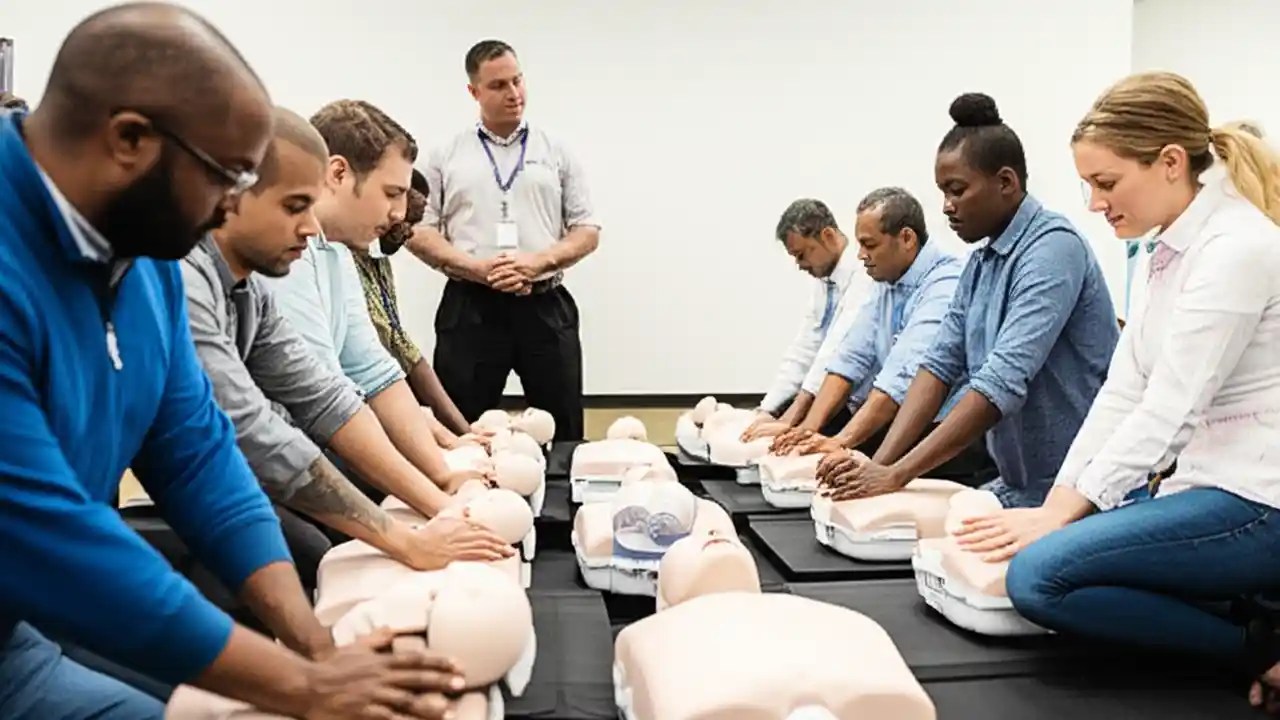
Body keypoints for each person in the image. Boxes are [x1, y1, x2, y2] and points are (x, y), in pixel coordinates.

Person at [0, 4, 459, 719]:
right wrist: (299, 684)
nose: (226, 209)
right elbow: (36, 532)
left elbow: (194, 451)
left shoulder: (141, 254)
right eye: (225, 178)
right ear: (129, 140)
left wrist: (313, 644)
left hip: (16, 649)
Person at [950, 72, 1280, 714]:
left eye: (1106, 182)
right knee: (1055, 549)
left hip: (1260, 502)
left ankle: (1255, 648)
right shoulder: (1172, 250)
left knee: (1039, 577)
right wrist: (1059, 503)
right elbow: (1123, 393)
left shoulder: (1237, 249)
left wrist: (1062, 517)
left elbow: (1171, 409)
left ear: (1170, 163)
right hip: (1211, 491)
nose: (1095, 203)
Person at [183, 106, 512, 583]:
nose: (311, 228)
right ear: (231, 196)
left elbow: (326, 393)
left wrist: (441, 498)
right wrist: (408, 539)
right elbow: (255, 429)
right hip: (217, 472)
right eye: (295, 207)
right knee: (313, 554)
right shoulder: (182, 280)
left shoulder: (250, 287)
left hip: (244, 463)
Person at [818, 93, 1119, 508]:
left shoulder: (1053, 249)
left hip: (1076, 491)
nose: (947, 207)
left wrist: (897, 473)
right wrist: (881, 466)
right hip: (1019, 485)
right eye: (943, 192)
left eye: (957, 190)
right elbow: (939, 364)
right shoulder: (980, 264)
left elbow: (1000, 382)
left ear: (1006, 183)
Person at [261, 100, 483, 513]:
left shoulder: (340, 255)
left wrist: (443, 473)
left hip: (312, 451)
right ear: (339, 173)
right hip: (276, 466)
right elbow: (323, 397)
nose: (399, 213)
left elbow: (375, 372)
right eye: (392, 193)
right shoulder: (284, 257)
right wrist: (435, 500)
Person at [408, 39, 601, 442]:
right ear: (473, 91)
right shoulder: (445, 154)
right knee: (461, 427)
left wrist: (539, 263)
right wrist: (476, 269)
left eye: (518, 81)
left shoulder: (557, 150)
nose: (514, 94)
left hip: (545, 304)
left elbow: (586, 230)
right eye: (498, 85)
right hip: (471, 308)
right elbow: (418, 230)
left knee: (562, 428)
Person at [768, 188, 991, 480]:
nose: (861, 255)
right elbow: (849, 358)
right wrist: (809, 429)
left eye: (869, 245)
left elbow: (899, 379)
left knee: (851, 471)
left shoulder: (944, 284)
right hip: (903, 418)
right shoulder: (886, 281)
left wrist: (840, 442)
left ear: (907, 239)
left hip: (947, 434)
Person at [353, 168, 474, 440]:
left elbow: (403, 346)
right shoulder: (344, 261)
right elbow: (381, 356)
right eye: (405, 221)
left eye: (414, 222)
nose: (407, 232)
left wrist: (463, 432)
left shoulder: (378, 262)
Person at [740, 198, 869, 441]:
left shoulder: (865, 273)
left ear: (828, 236)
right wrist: (766, 410)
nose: (799, 265)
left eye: (801, 255)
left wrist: (793, 416)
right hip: (828, 398)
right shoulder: (824, 280)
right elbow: (805, 348)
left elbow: (837, 349)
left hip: (858, 406)